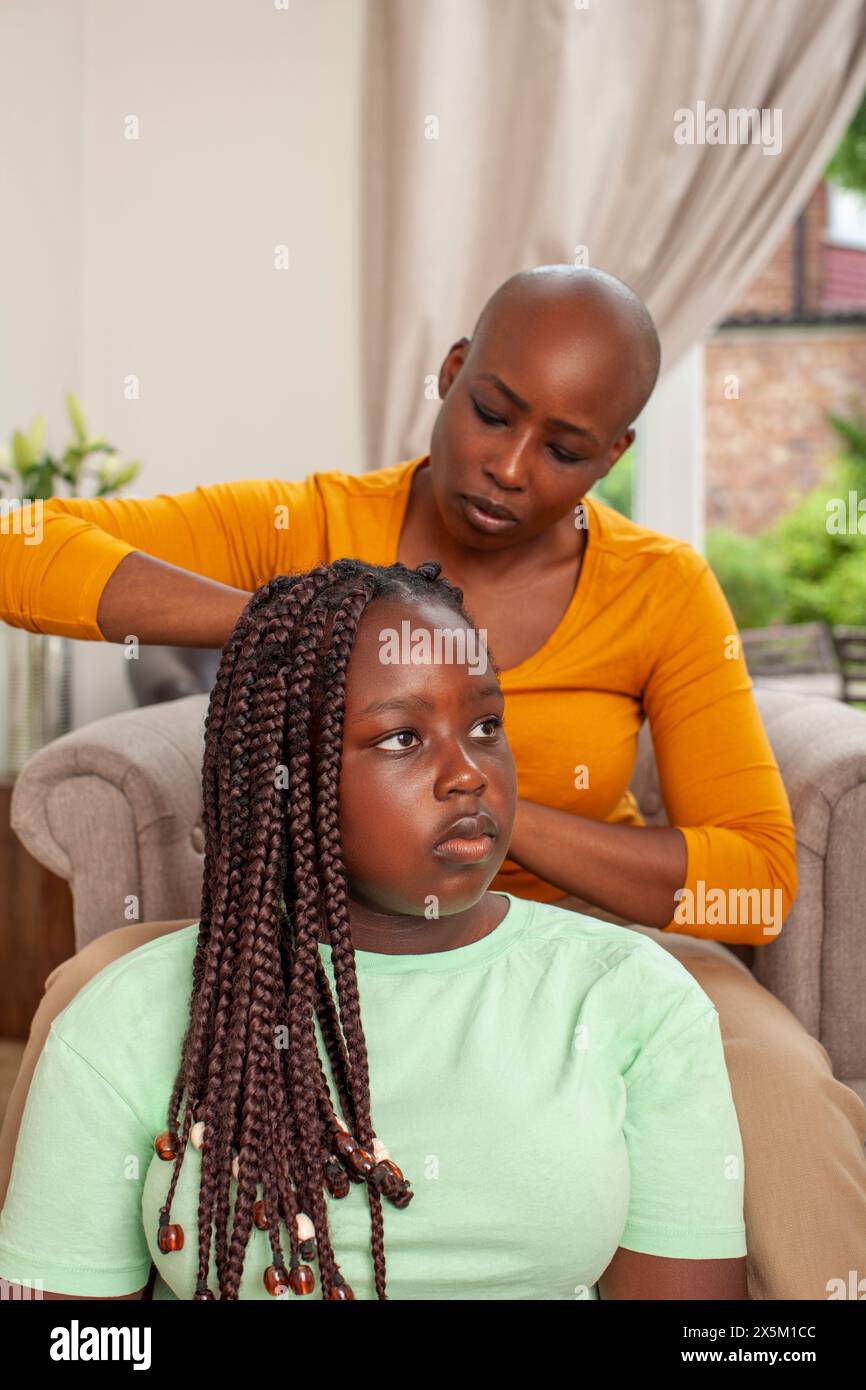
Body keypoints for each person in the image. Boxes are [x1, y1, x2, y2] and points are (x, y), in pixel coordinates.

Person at [0, 265, 864, 1296]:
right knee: (83, 1000)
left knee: (777, 1081)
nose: (506, 467)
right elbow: (22, 546)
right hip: (302, 927)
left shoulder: (660, 588)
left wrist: (488, 816)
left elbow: (755, 879)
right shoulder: (308, 525)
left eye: (563, 449)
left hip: (587, 944)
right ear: (451, 375)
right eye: (491, 413)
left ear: (615, 455)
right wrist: (311, 628)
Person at [0, 560, 748, 1300]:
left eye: (486, 725)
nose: (469, 774)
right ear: (285, 781)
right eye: (401, 738)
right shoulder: (123, 1020)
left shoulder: (632, 995)